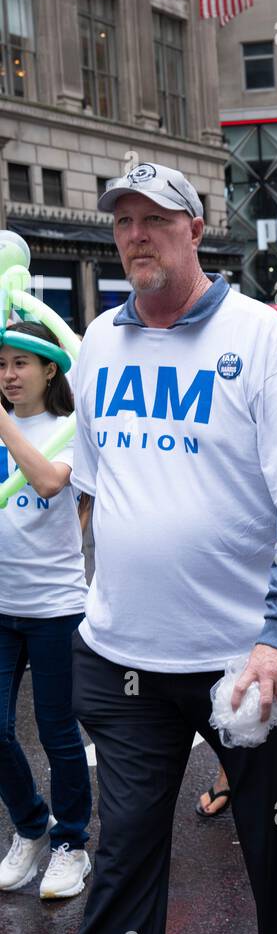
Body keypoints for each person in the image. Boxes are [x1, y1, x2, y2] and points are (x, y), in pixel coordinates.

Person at [52, 163, 277, 934]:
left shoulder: (259, 340)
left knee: (272, 842)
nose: (136, 235)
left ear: (197, 226)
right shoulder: (100, 340)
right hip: (121, 660)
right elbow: (94, 491)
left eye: (154, 219)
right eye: (123, 222)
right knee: (124, 858)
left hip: (240, 666)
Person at [0, 321, 91, 899]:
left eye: (20, 364)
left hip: (56, 607)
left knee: (59, 733)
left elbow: (50, 482)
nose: (8, 376)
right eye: (1, 365)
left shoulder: (69, 428)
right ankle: (32, 828)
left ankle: (71, 845)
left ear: (50, 368)